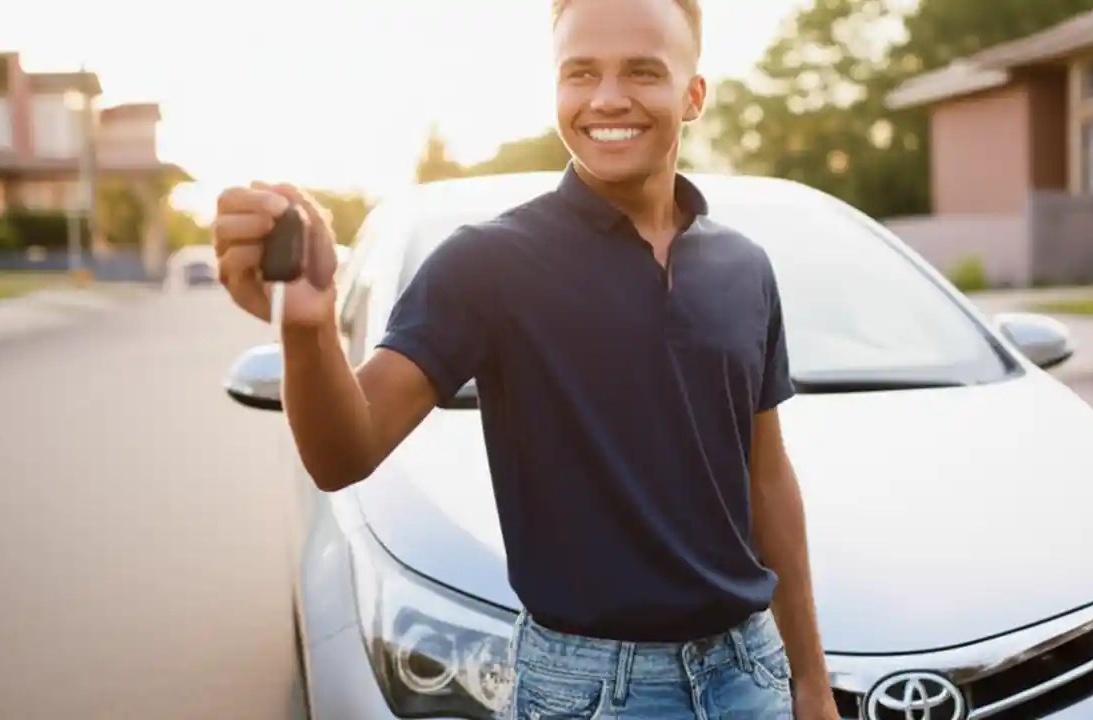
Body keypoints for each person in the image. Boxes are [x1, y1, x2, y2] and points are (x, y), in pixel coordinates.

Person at [212, 0, 839, 717]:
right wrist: (308, 330)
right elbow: (343, 453)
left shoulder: (744, 267)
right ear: (555, 92)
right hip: (587, 692)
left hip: (748, 675)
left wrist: (810, 680)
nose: (607, 97)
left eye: (642, 71)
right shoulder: (487, 264)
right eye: (581, 73)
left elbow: (768, 479)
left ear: (693, 96)